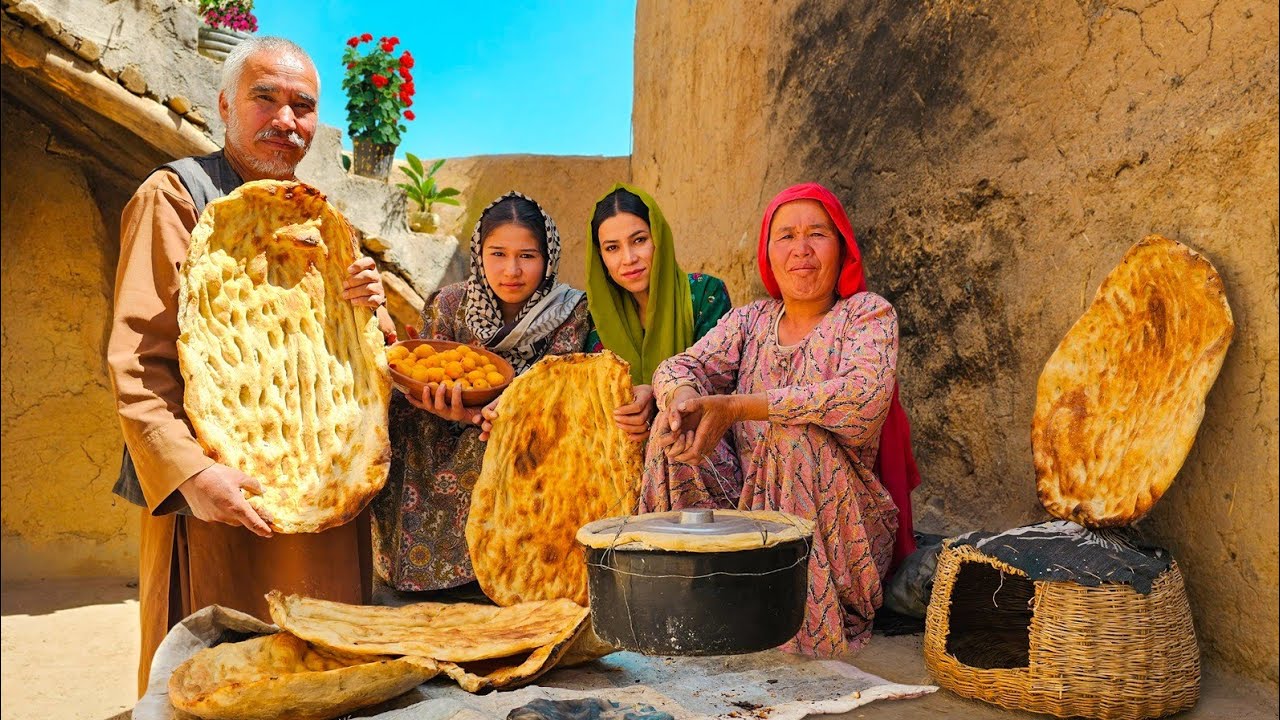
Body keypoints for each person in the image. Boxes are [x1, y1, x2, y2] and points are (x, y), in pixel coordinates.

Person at [106, 36, 394, 694]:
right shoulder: (177, 199)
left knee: (324, 682)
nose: (285, 120)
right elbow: (139, 363)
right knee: (216, 684)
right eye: (265, 98)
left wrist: (370, 312)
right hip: (221, 512)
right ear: (226, 105)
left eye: (303, 106)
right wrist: (194, 474)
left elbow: (354, 368)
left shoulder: (322, 220)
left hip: (325, 500)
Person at [642, 182, 921, 657]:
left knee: (796, 440)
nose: (802, 250)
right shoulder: (751, 320)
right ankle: (681, 606)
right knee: (672, 430)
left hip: (841, 527)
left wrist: (741, 406)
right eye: (786, 237)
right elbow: (677, 367)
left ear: (842, 248)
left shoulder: (866, 316)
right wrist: (684, 399)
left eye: (817, 234)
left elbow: (863, 401)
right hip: (750, 511)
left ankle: (799, 630)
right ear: (768, 254)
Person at [372, 192, 591, 593]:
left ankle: (504, 572)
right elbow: (427, 369)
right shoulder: (451, 302)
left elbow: (558, 388)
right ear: (478, 254)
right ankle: (416, 572)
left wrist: (494, 413)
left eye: (527, 256)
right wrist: (436, 400)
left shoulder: (569, 310)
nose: (512, 270)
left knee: (501, 438)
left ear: (548, 258)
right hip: (438, 425)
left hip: (520, 428)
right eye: (498, 254)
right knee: (395, 412)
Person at [584, 184, 738, 508]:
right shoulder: (593, 325)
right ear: (600, 258)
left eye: (639, 240)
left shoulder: (704, 296)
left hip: (698, 463)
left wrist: (654, 397)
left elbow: (721, 384)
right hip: (621, 480)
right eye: (612, 248)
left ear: (659, 238)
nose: (629, 259)